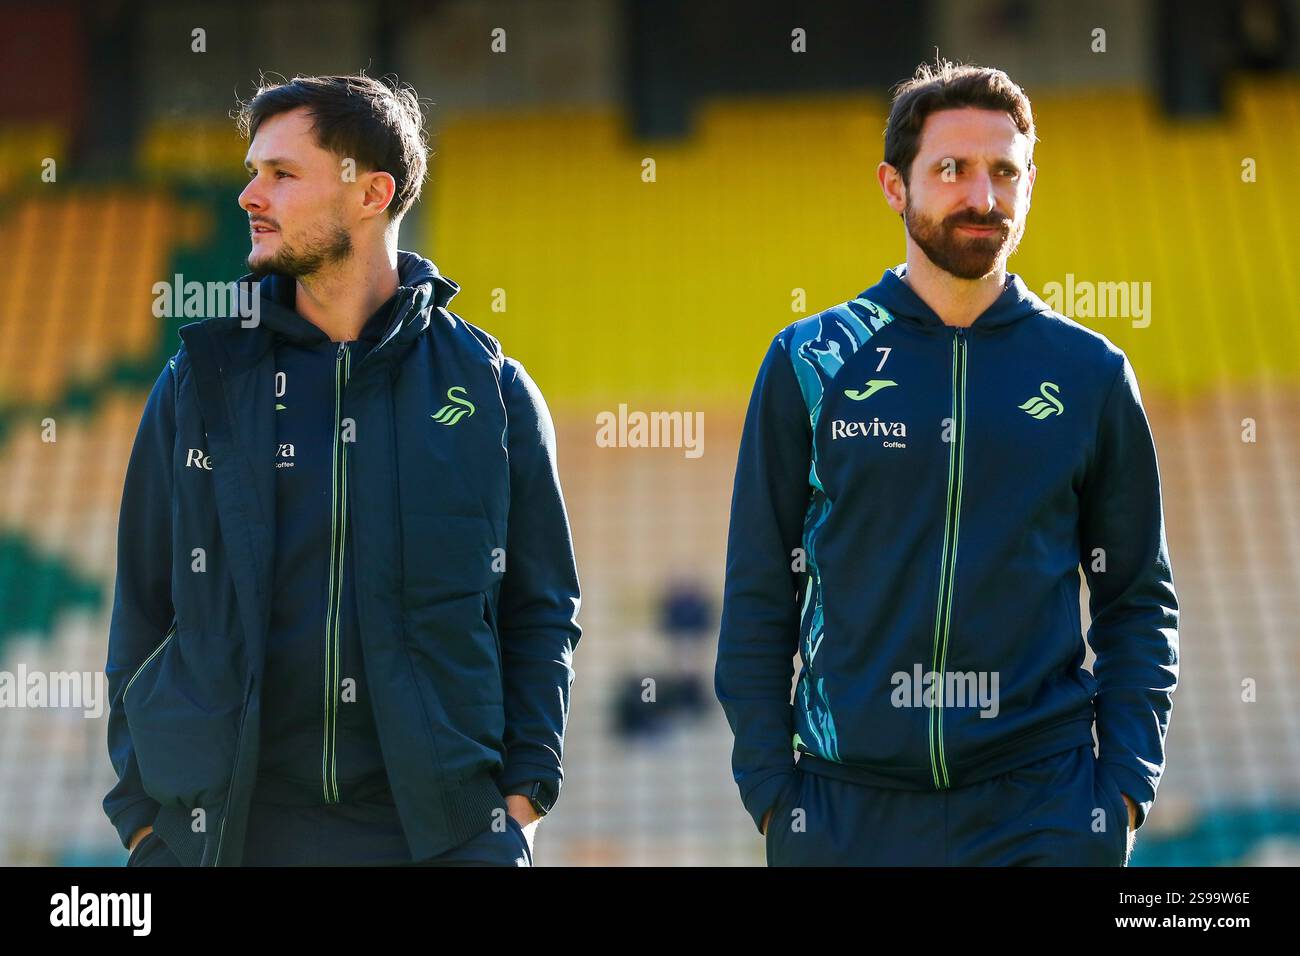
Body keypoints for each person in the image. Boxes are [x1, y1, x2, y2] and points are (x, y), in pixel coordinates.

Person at [104, 73, 582, 867]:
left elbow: (542, 611)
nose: (250, 195)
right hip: (227, 834)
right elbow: (144, 607)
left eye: (282, 174)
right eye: (253, 171)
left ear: (372, 193)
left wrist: (520, 805)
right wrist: (144, 821)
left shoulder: (489, 391)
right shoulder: (200, 384)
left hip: (439, 835)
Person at [715, 59, 1178, 866]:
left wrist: (1123, 797)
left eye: (1004, 172)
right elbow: (759, 592)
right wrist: (774, 800)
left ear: (1031, 183)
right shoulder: (811, 361)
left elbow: (1138, 599)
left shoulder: (1089, 373)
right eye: (951, 170)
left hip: (1043, 806)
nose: (981, 197)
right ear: (896, 187)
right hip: (846, 810)